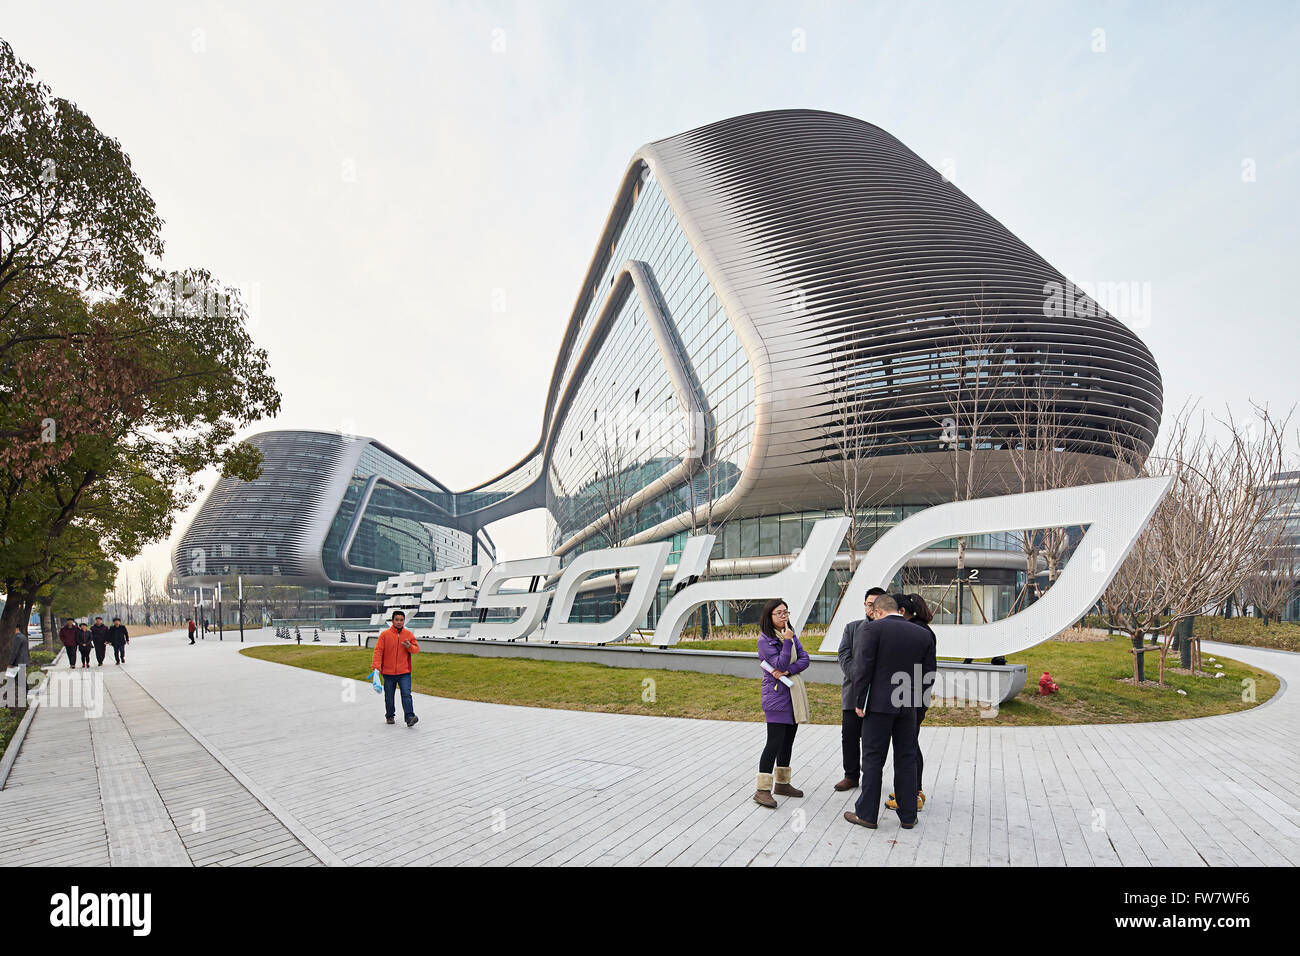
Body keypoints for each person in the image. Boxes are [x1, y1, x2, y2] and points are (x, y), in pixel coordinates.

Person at [843, 593, 936, 831]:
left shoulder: (872, 630)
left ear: (879, 612)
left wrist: (860, 701)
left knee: (873, 760)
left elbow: (864, 668)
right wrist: (919, 707)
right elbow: (928, 675)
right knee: (906, 758)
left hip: (878, 705)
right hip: (909, 705)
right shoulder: (923, 634)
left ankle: (867, 815)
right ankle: (908, 816)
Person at [753, 598, 810, 808]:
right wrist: (787, 642)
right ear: (769, 617)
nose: (784, 616)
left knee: (788, 741)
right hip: (776, 697)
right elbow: (779, 662)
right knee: (774, 743)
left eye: (786, 612)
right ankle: (762, 789)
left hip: (793, 695)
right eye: (779, 613)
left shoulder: (791, 634)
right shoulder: (765, 640)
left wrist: (788, 671)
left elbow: (804, 659)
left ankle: (783, 784)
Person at [886, 593, 937, 813]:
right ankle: (911, 790)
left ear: (902, 612)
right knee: (909, 744)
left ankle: (912, 794)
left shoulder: (916, 631)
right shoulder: (923, 629)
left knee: (907, 746)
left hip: (911, 697)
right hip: (917, 696)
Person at [834, 587, 886, 791]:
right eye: (869, 604)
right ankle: (851, 775)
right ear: (864, 605)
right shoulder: (853, 628)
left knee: (874, 741)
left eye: (876, 604)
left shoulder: (889, 630)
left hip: (879, 695)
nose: (872, 608)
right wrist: (859, 677)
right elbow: (844, 655)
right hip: (853, 692)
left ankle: (871, 778)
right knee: (849, 736)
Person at [371, 610, 420, 727]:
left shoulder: (408, 634)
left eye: (401, 620)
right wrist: (376, 667)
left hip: (404, 672)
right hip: (388, 673)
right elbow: (378, 651)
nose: (399, 622)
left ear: (404, 621)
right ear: (392, 621)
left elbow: (416, 649)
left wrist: (409, 647)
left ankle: (409, 717)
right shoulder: (385, 635)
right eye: (397, 620)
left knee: (406, 694)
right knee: (389, 696)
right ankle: (389, 715)